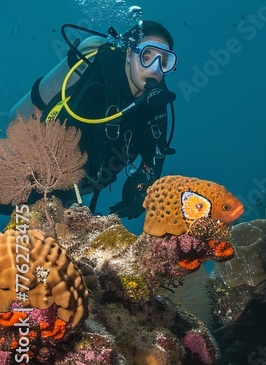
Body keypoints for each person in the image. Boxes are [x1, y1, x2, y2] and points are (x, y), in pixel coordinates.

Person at [6, 19, 178, 218]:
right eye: (147, 56)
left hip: (84, 189)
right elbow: (62, 135)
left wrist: (141, 191)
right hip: (32, 170)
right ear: (130, 54)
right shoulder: (100, 80)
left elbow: (154, 160)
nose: (155, 69)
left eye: (164, 62)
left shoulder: (156, 105)